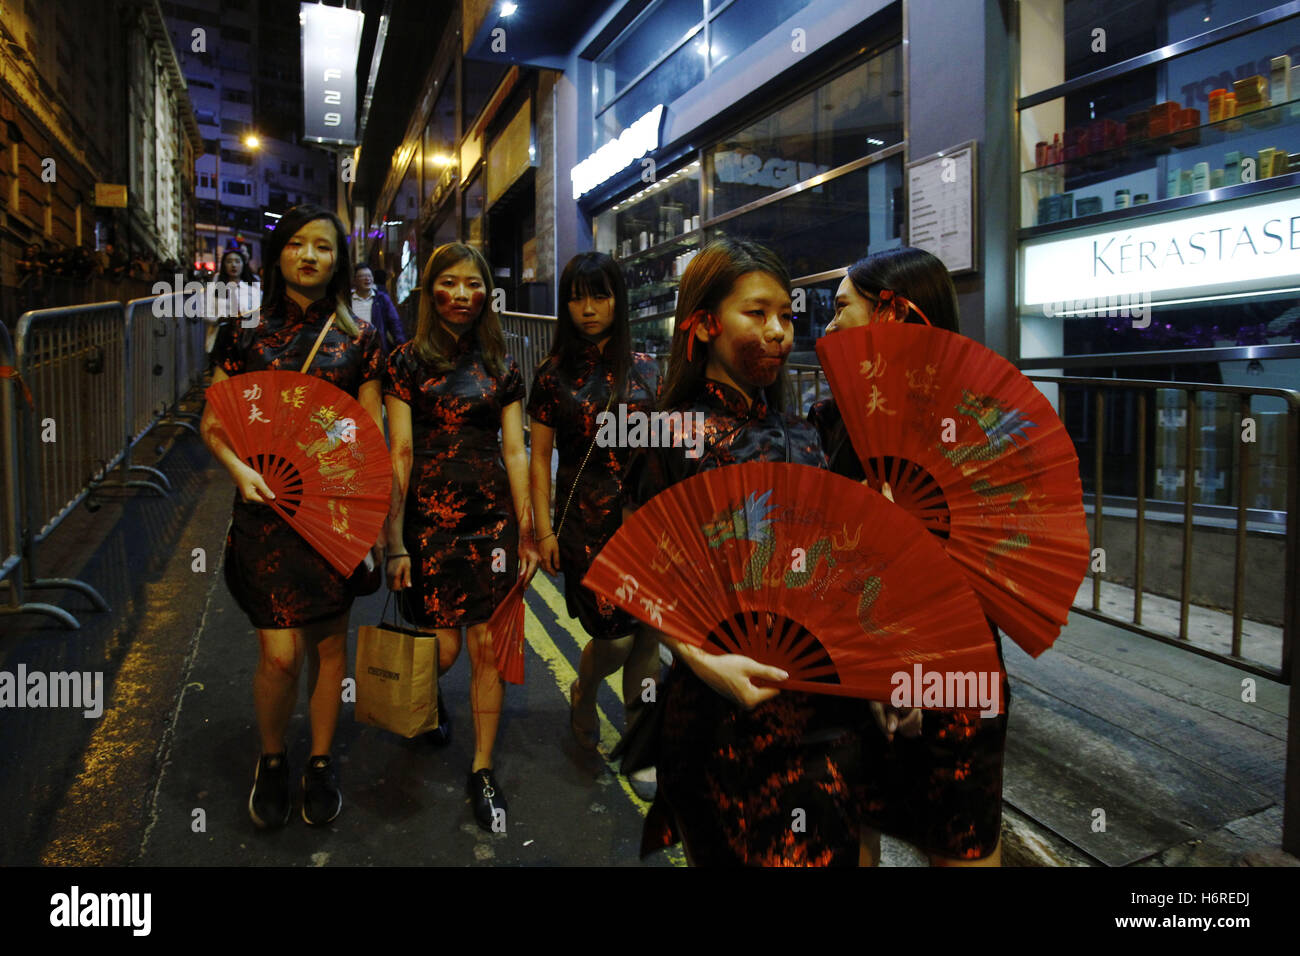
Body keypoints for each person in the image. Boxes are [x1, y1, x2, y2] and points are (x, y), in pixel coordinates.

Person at [623, 237, 864, 866]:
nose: (780, 331)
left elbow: (828, 569)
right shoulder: (666, 434)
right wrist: (701, 662)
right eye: (756, 314)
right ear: (703, 324)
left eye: (786, 315)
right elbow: (638, 575)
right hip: (715, 715)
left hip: (818, 708)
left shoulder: (804, 434)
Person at [809, 245, 1009, 867]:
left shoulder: (966, 429)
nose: (830, 324)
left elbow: (983, 568)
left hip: (948, 673)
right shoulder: (837, 416)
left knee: (959, 842)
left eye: (843, 308)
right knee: (857, 828)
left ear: (891, 315)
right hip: (856, 669)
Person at [200, 204, 386, 830]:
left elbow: (369, 434)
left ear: (339, 261)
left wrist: (378, 526)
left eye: (325, 248)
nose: (310, 256)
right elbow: (214, 424)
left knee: (330, 646)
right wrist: (241, 471)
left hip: (334, 514)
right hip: (265, 512)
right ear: (277, 253)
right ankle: (274, 758)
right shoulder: (242, 333)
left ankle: (322, 761)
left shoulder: (359, 339)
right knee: (280, 655)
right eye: (298, 245)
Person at [383, 241, 541, 832]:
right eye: (448, 283)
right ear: (431, 291)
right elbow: (399, 452)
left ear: (487, 294)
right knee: (441, 650)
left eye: (473, 285)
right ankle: (431, 702)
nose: (461, 295)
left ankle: (481, 769)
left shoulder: (501, 367)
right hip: (428, 525)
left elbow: (516, 450)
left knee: (484, 649)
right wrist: (394, 540)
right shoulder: (403, 363)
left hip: (492, 524)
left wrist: (526, 533)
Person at [525, 253, 661, 788]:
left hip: (646, 525)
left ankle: (640, 741)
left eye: (600, 295)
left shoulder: (648, 367)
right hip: (584, 526)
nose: (587, 308)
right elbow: (538, 457)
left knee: (647, 637)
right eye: (577, 297)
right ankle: (584, 691)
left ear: (618, 300)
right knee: (615, 639)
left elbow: (661, 447)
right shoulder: (553, 375)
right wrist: (542, 530)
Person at [205, 247, 261, 354]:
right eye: (229, 261)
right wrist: (220, 318)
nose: (233, 265)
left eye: (237, 261)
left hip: (245, 339)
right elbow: (205, 313)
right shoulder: (215, 288)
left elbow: (258, 315)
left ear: (243, 264)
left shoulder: (252, 290)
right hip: (220, 337)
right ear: (224, 265)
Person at [351, 263, 407, 359]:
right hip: (353, 350)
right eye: (362, 276)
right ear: (355, 280)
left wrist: (403, 348)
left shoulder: (381, 299)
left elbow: (395, 323)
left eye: (369, 276)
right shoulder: (348, 301)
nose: (367, 279)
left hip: (376, 351)